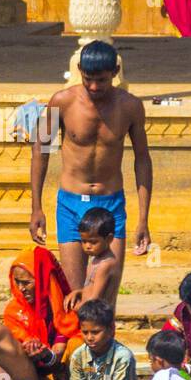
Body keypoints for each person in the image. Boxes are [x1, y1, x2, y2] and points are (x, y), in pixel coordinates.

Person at [29, 39, 153, 300]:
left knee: (105, 300)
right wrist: (36, 207)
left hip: (111, 205)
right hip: (71, 204)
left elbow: (142, 158)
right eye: (88, 80)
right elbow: (41, 149)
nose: (94, 87)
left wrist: (143, 218)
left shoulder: (130, 106)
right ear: (80, 72)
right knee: (75, 297)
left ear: (115, 72)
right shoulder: (61, 101)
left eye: (102, 80)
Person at [3, 245, 79, 380]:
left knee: (76, 344)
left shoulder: (65, 302)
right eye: (17, 282)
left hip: (64, 370)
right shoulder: (13, 311)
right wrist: (29, 344)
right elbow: (19, 340)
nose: (21, 288)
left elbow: (71, 326)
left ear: (43, 280)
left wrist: (61, 341)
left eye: (26, 282)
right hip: (33, 373)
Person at [62, 206, 119, 312]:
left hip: (97, 317)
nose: (87, 246)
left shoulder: (105, 265)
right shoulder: (96, 259)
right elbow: (91, 287)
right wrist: (79, 292)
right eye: (84, 241)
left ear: (109, 239)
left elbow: (95, 299)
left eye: (93, 242)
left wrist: (76, 309)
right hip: (90, 312)